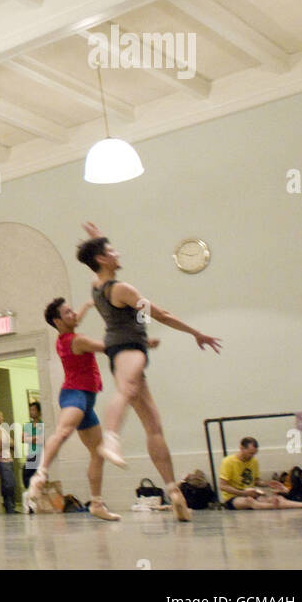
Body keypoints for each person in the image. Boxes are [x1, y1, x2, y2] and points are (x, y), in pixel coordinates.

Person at [75, 221, 221, 523]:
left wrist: (96, 239)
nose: (118, 253)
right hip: (126, 348)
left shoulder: (97, 285)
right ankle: (111, 439)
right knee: (127, 389)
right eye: (111, 251)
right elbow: (162, 315)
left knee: (154, 426)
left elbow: (94, 268)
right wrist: (197, 333)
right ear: (103, 259)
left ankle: (174, 491)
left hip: (129, 345)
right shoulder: (121, 289)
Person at [27, 298, 161, 521]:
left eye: (72, 311)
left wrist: (87, 306)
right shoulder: (76, 340)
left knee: (98, 453)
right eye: (68, 312)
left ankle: (96, 503)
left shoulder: (64, 336)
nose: (74, 315)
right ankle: (40, 473)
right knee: (62, 432)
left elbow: (75, 318)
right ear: (58, 321)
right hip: (74, 396)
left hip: (87, 400)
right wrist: (144, 344)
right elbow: (108, 347)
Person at [219, 437, 302, 510]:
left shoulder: (253, 461)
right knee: (249, 501)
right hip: (233, 497)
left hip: (251, 493)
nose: (252, 456)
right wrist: (243, 493)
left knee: (277, 499)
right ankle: (272, 506)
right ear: (241, 448)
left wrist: (268, 484)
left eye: (254, 454)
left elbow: (255, 481)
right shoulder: (228, 461)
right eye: (250, 453)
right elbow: (222, 486)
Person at [0, 411, 16, 514]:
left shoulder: (3, 429)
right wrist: (6, 444)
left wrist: (6, 444)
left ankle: (12, 505)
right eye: (1, 416)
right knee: (8, 485)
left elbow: (12, 443)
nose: (2, 418)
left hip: (9, 459)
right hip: (2, 460)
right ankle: (9, 507)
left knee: (12, 484)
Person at [22, 402, 43, 490]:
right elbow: (23, 439)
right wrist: (34, 439)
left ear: (39, 412)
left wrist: (30, 438)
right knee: (27, 477)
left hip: (41, 455)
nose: (31, 412)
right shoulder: (27, 425)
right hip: (31, 455)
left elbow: (42, 439)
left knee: (40, 478)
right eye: (30, 410)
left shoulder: (42, 425)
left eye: (33, 410)